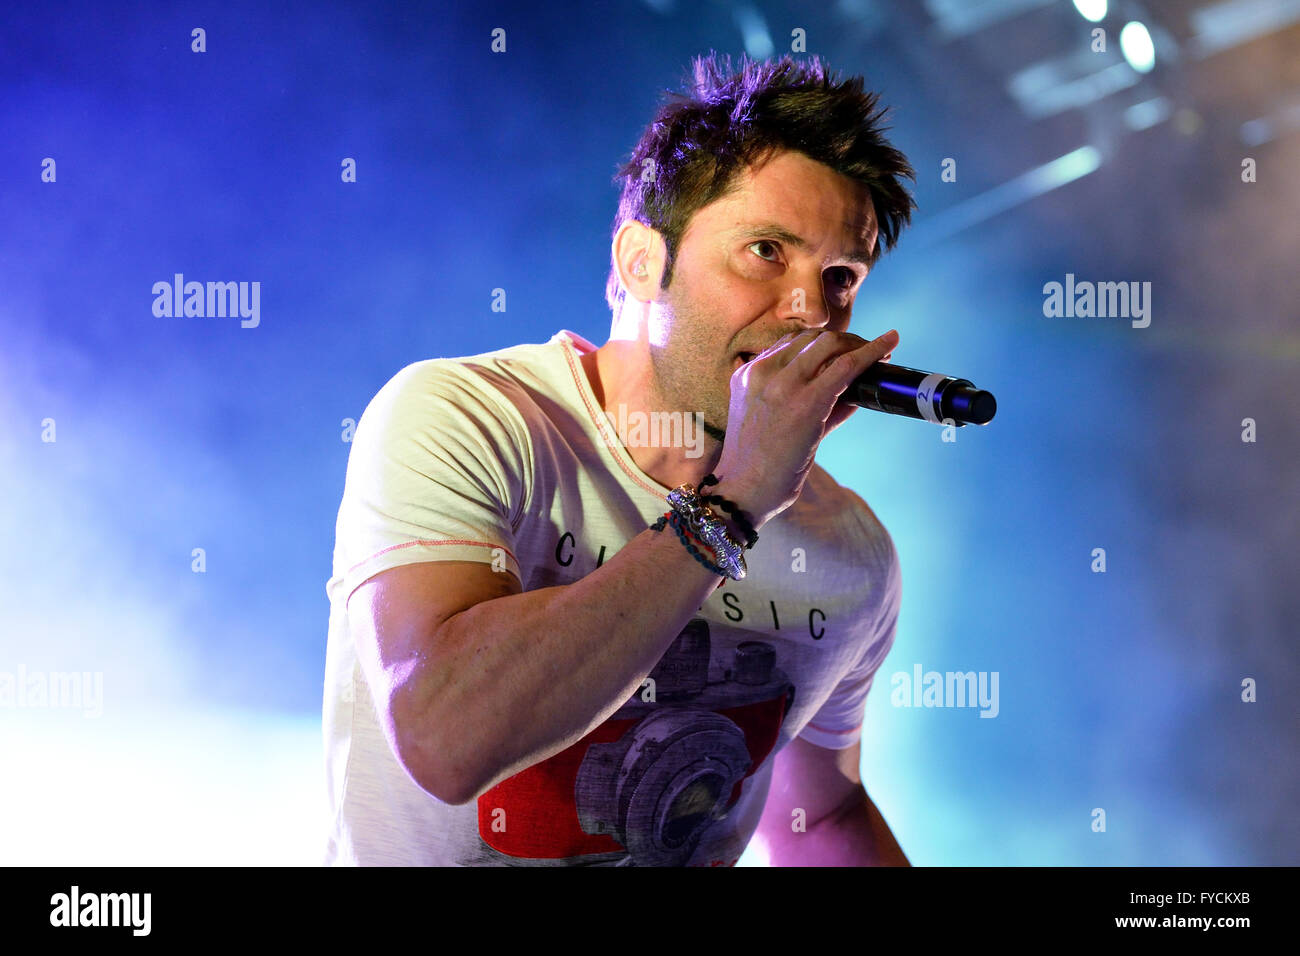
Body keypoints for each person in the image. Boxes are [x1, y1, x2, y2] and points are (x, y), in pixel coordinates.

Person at [322, 52, 916, 866]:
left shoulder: (851, 553)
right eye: (767, 251)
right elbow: (444, 739)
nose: (808, 312)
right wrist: (734, 505)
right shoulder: (468, 418)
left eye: (840, 276)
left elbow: (827, 814)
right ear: (642, 261)